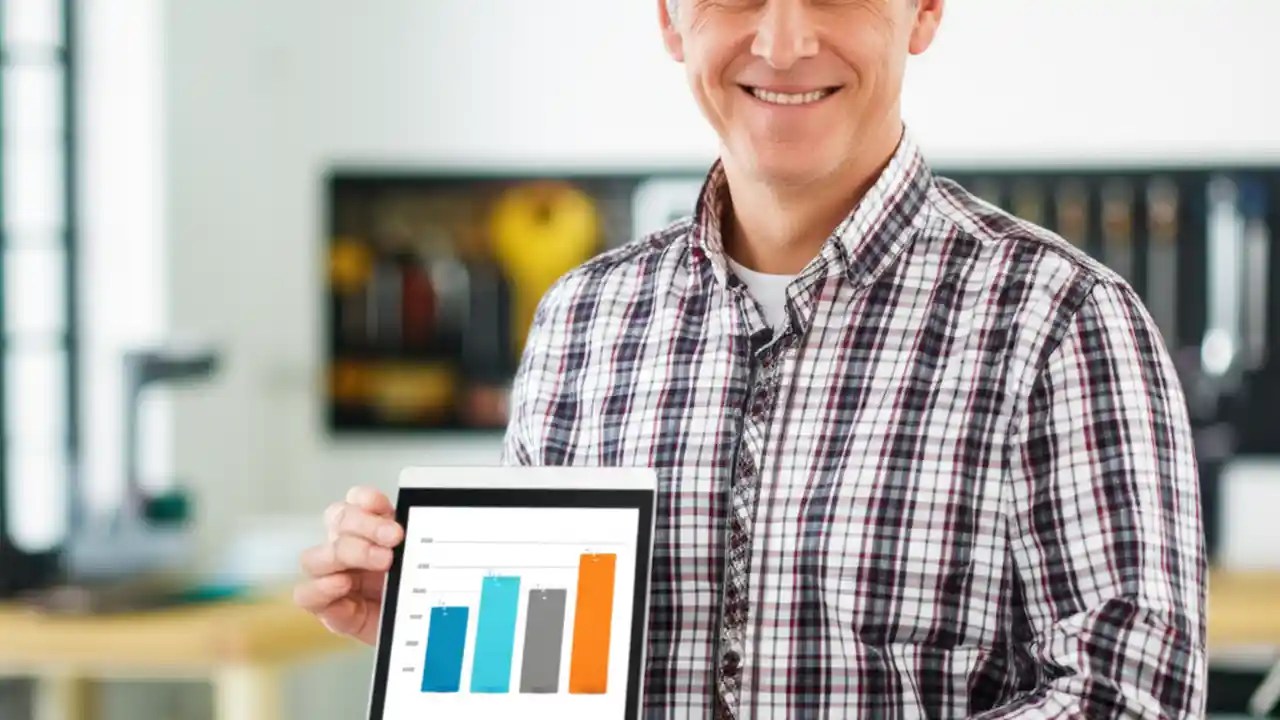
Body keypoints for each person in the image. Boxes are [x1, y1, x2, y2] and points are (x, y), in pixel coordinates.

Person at [295, 0, 1207, 716]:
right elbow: (543, 686)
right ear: (670, 16)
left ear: (925, 9)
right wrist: (434, 633)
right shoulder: (581, 322)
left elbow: (1132, 698)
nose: (782, 41)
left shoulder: (1061, 321)